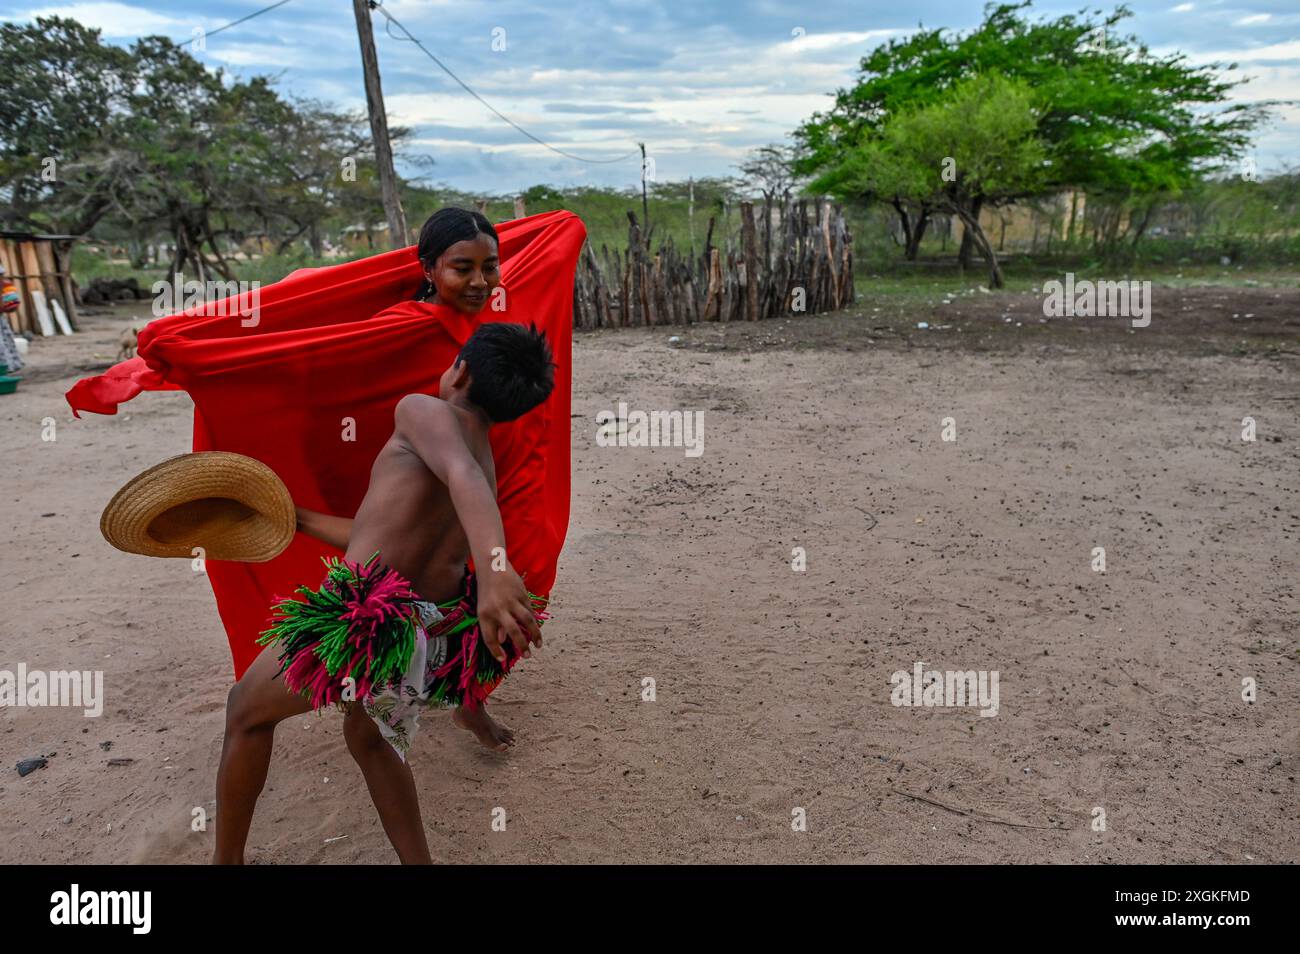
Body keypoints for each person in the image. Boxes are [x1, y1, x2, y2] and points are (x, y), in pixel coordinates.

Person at [213, 209, 553, 865]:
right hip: (425, 633)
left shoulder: (423, 411)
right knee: (370, 741)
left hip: (369, 624)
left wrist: (499, 569)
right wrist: (301, 519)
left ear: (456, 372)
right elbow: (389, 528)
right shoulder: (484, 449)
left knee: (244, 712)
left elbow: (460, 481)